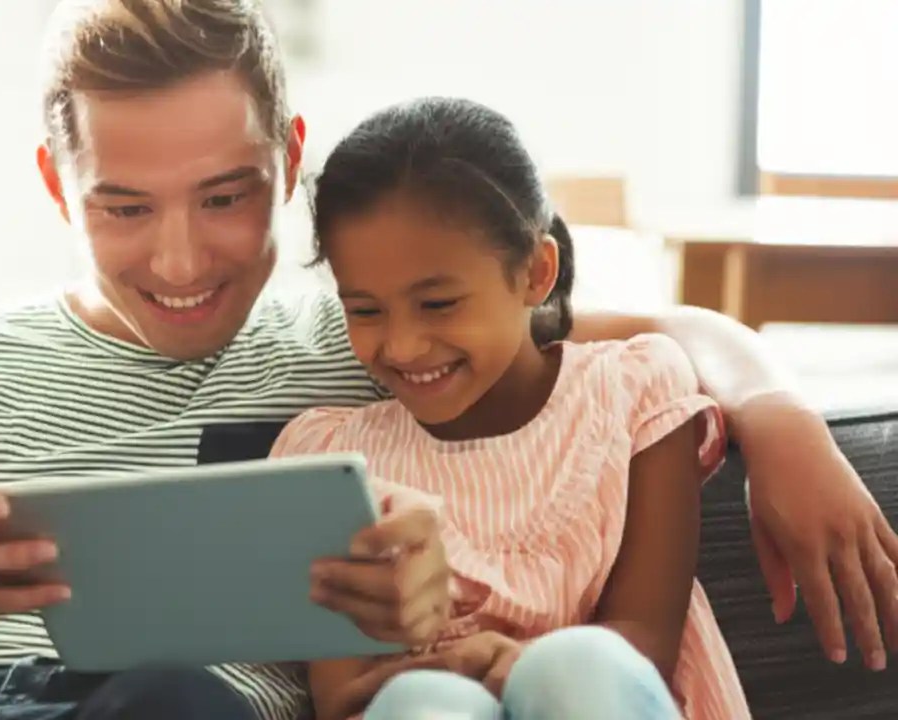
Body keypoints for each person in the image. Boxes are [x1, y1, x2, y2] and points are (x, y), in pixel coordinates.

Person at [0, 1, 893, 718]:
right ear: (56, 180)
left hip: (156, 716)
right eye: (124, 206)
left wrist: (777, 417)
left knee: (169, 697)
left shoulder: (368, 346)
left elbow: (634, 343)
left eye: (226, 198)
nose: (182, 258)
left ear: (288, 160)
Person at [274, 96, 748, 720]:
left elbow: (646, 644)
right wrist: (457, 670)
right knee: (423, 701)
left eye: (438, 304)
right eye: (365, 310)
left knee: (576, 666)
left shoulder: (633, 391)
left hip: (605, 697)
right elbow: (341, 700)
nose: (402, 345)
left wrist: (500, 661)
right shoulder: (335, 461)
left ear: (536, 271)